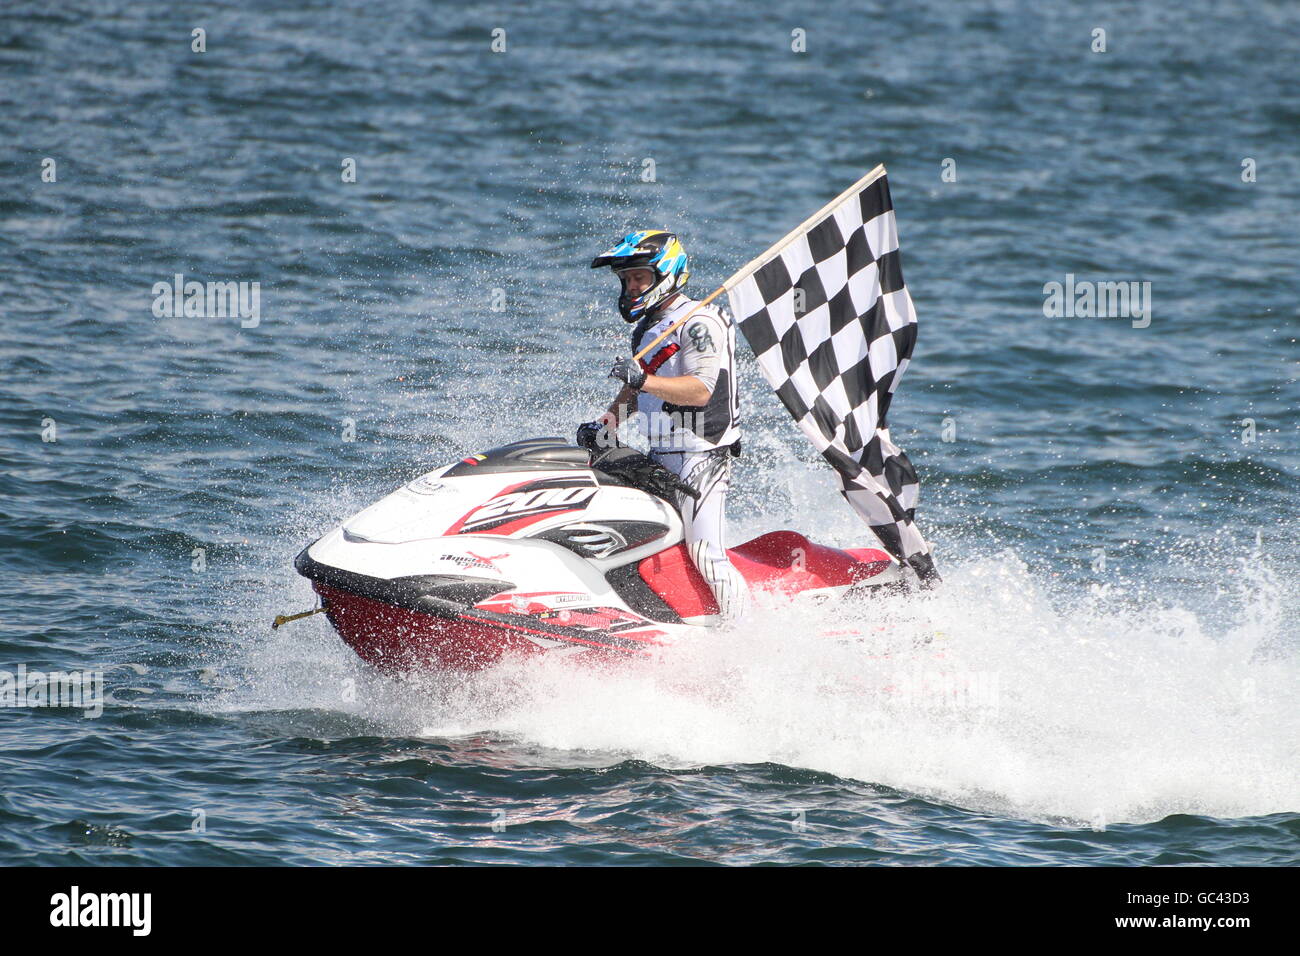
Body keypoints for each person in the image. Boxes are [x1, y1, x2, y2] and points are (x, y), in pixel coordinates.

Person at [578, 230, 750, 623]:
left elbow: (699, 391)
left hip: (701, 457)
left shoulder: (700, 321)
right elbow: (635, 393)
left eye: (639, 277)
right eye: (625, 280)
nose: (631, 286)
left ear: (665, 274)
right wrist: (605, 425)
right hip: (659, 454)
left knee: (706, 553)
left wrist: (641, 380)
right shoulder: (649, 327)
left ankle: (743, 644)